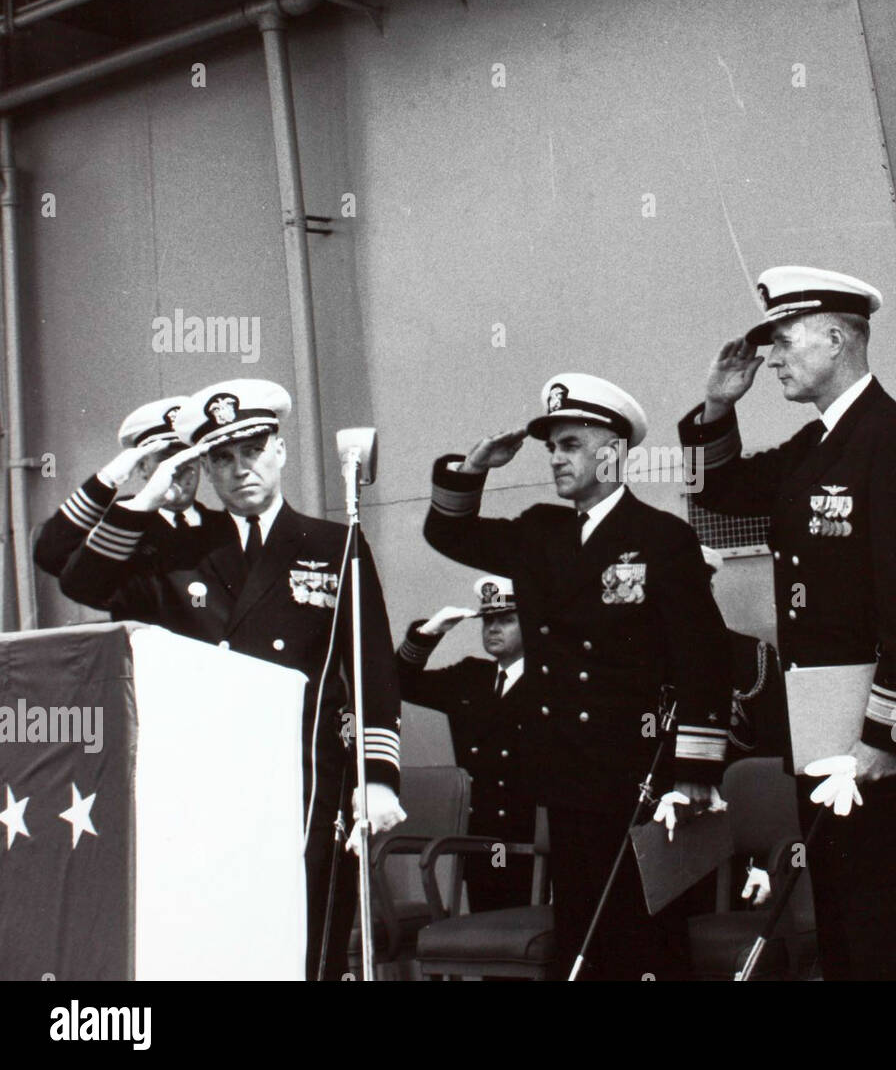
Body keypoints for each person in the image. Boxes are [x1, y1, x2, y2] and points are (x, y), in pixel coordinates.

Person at [57, 379, 405, 980]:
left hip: (308, 778)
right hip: (209, 783)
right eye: (221, 457)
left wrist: (379, 780)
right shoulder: (177, 550)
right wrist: (145, 497)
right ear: (205, 467)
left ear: (280, 451)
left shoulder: (332, 543)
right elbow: (81, 582)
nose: (240, 468)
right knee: (222, 944)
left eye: (252, 449)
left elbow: (372, 664)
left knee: (310, 940)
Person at [679, 266, 896, 980]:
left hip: (872, 743)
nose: (770, 357)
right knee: (843, 933)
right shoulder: (816, 445)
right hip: (822, 730)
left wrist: (887, 741)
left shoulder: (888, 439)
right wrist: (716, 405)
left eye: (784, 339)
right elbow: (723, 488)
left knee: (886, 936)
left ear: (836, 338)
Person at [422, 372, 732, 980]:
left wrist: (695, 770)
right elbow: (447, 531)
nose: (556, 459)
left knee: (646, 940)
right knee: (583, 938)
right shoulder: (541, 533)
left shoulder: (661, 537)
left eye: (569, 444)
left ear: (611, 451)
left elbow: (703, 656)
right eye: (551, 447)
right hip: (566, 771)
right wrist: (476, 466)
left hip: (640, 773)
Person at [395, 575, 538, 911]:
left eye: (506, 621)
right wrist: (429, 633)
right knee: (485, 935)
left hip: (531, 840)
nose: (493, 629)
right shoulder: (469, 677)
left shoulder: (550, 681)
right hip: (478, 839)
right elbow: (399, 682)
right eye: (488, 621)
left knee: (528, 937)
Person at [34, 395, 210, 591]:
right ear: (142, 467)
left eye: (187, 457)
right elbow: (51, 556)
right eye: (165, 459)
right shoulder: (123, 524)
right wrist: (107, 479)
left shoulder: (223, 525)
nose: (178, 468)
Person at [699, 545, 788, 763]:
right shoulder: (651, 659)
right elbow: (649, 729)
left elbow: (772, 749)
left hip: (735, 787)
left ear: (710, 590)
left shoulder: (753, 656)